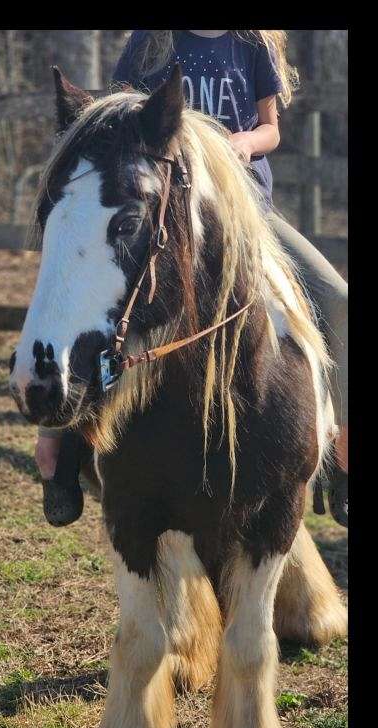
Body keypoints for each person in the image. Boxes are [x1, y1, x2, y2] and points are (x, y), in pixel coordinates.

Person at [37, 30, 348, 522]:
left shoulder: (253, 44)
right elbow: (121, 115)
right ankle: (60, 450)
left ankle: (342, 449)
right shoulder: (151, 41)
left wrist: (244, 142)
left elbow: (272, 128)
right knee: (96, 305)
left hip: (246, 217)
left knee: (338, 298)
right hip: (164, 218)